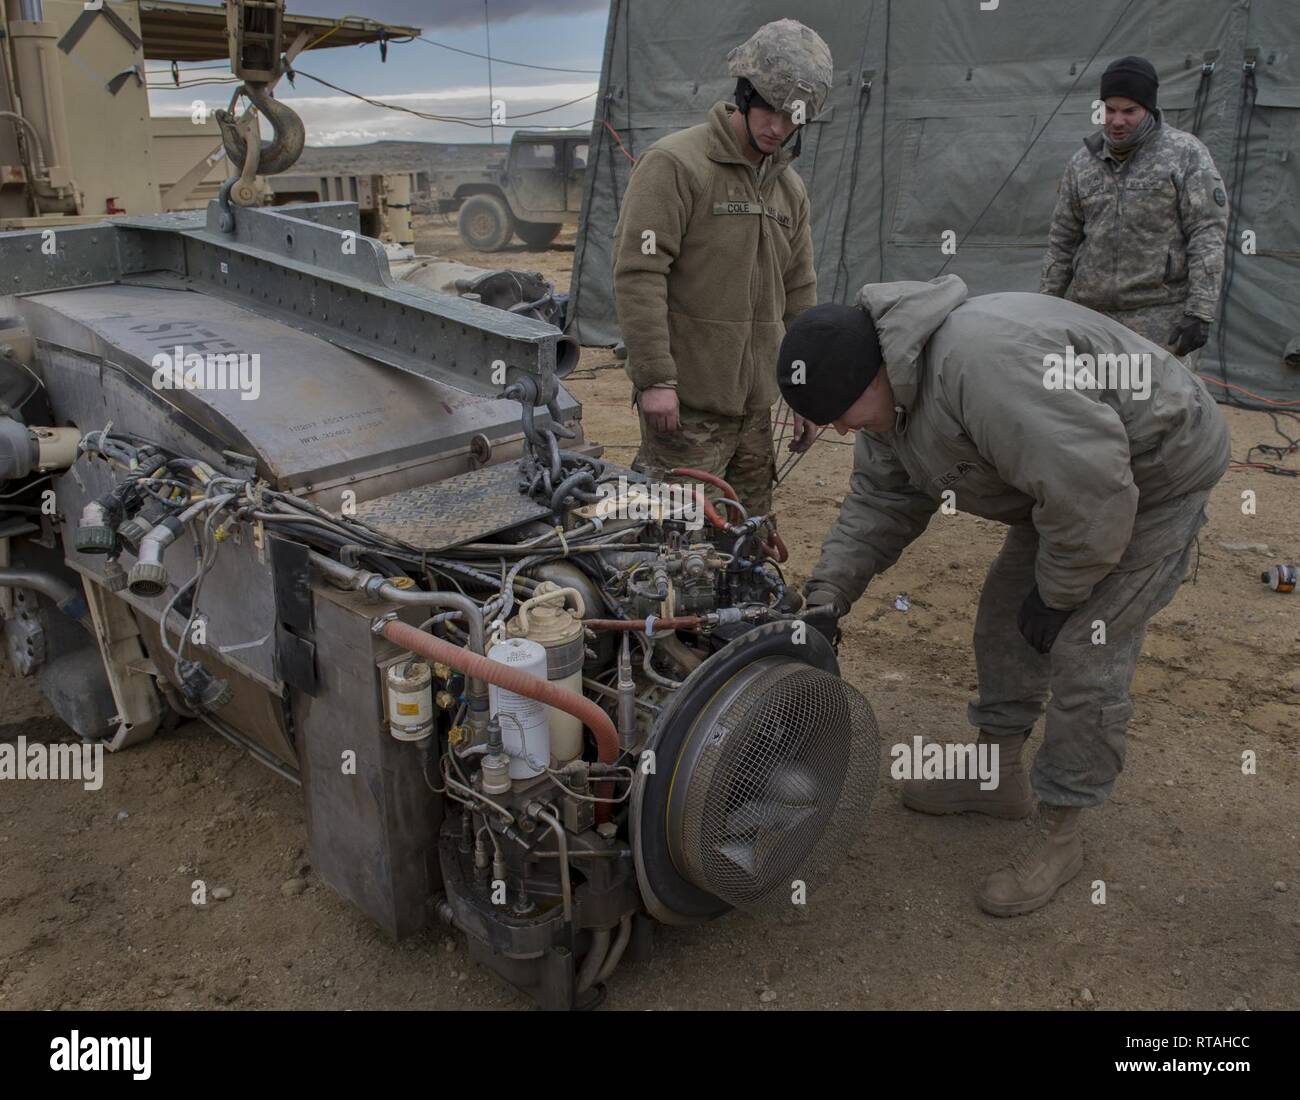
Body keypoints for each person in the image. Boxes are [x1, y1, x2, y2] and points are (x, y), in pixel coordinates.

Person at [779, 274, 1230, 916]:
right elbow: (881, 501)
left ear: (873, 377)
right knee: (1005, 621)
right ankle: (997, 776)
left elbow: (1093, 489)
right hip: (1066, 490)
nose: (846, 432)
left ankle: (1063, 832)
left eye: (844, 415)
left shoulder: (984, 368)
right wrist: (828, 598)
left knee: (1084, 652)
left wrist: (1061, 593)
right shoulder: (889, 402)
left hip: (1153, 476)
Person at [612, 19, 833, 521]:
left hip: (754, 413)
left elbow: (800, 293)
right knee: (667, 545)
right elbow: (638, 274)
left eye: (792, 117)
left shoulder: (788, 189)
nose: (777, 127)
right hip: (685, 409)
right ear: (745, 92)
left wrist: (803, 390)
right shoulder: (675, 164)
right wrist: (654, 379)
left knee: (746, 542)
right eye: (769, 108)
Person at [1040, 55, 1229, 364]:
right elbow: (1062, 241)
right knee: (1092, 406)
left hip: (1159, 322)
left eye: (1129, 111)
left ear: (1149, 109)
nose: (1117, 121)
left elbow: (1207, 234)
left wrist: (1200, 311)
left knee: (1159, 409)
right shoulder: (1081, 164)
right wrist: (1045, 305)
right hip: (1092, 318)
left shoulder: (1185, 155)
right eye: (1109, 110)